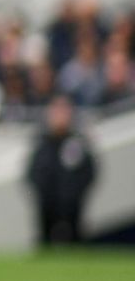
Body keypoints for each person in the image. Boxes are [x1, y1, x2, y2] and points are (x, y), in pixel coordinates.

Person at [27, 95, 96, 246]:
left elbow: (89, 173)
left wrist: (74, 195)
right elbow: (32, 174)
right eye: (56, 110)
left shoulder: (78, 143)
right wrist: (42, 194)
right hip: (47, 209)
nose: (60, 115)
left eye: (64, 110)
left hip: (73, 209)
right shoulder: (42, 143)